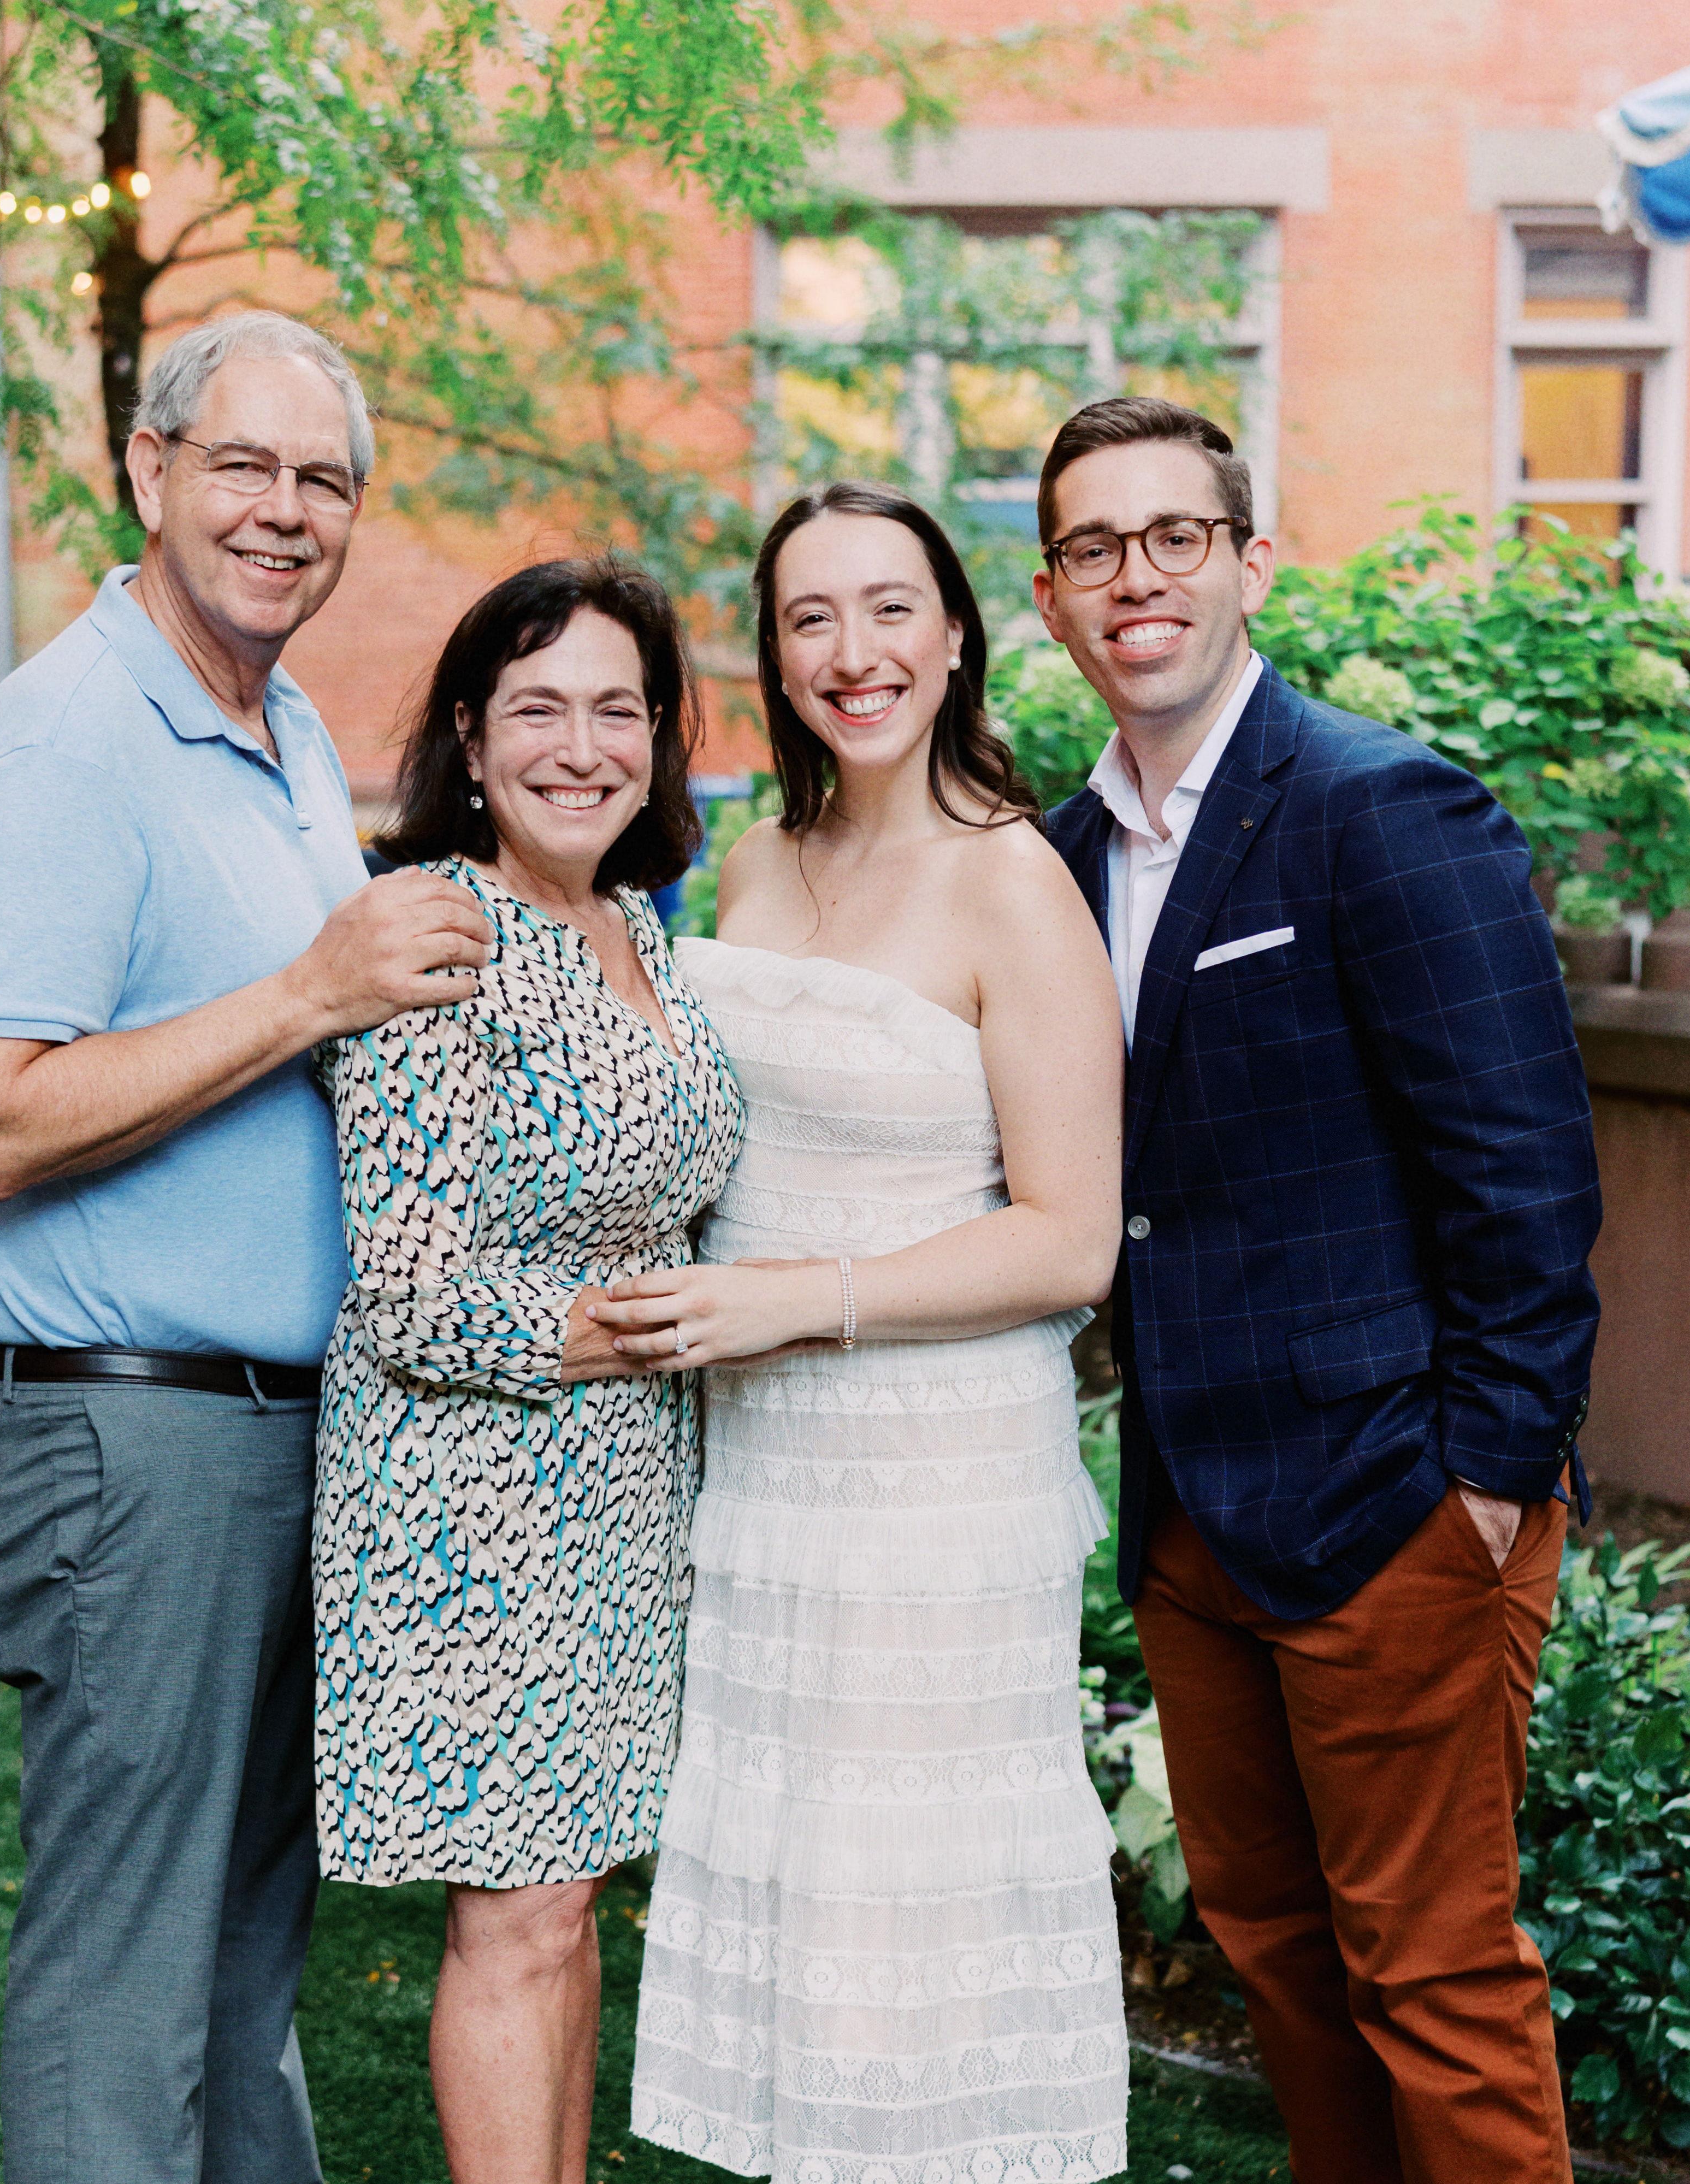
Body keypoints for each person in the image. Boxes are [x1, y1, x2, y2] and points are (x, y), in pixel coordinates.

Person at [0, 311, 493, 2184]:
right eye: (242, 465)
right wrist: (311, 991)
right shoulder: (63, 742)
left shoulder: (279, 723)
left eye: (323, 479)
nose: (283, 510)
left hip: (274, 1430)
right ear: (147, 470)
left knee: (242, 1971)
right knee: (128, 1977)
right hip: (127, 1442)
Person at [1033, 396, 1602, 2184]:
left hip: (1393, 1501)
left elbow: (1522, 1171)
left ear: (1249, 561)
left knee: (1430, 1971)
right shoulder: (1057, 858)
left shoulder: (1376, 804)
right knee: (1273, 1946)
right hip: (1191, 1518)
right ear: (1050, 597)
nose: (1134, 575)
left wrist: (1486, 1476)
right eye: (1091, 546)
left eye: (1173, 535)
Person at [601, 482, 1132, 2183]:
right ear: (772, 654)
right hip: (766, 1475)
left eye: (890, 608)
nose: (854, 651)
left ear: (956, 634)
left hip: (936, 1479)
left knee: (909, 1929)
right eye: (809, 617)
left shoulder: (1015, 883)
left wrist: (800, 1300)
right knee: (804, 1926)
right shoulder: (756, 858)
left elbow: (1068, 1238)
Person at [315, 556, 744, 2184]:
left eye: (617, 710)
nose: (581, 747)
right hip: (472, 1498)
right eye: (539, 709)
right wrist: (660, 1324)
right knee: (514, 1919)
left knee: (567, 1907)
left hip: (621, 1493)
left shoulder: (632, 925)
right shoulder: (439, 927)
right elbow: (411, 1294)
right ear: (471, 738)